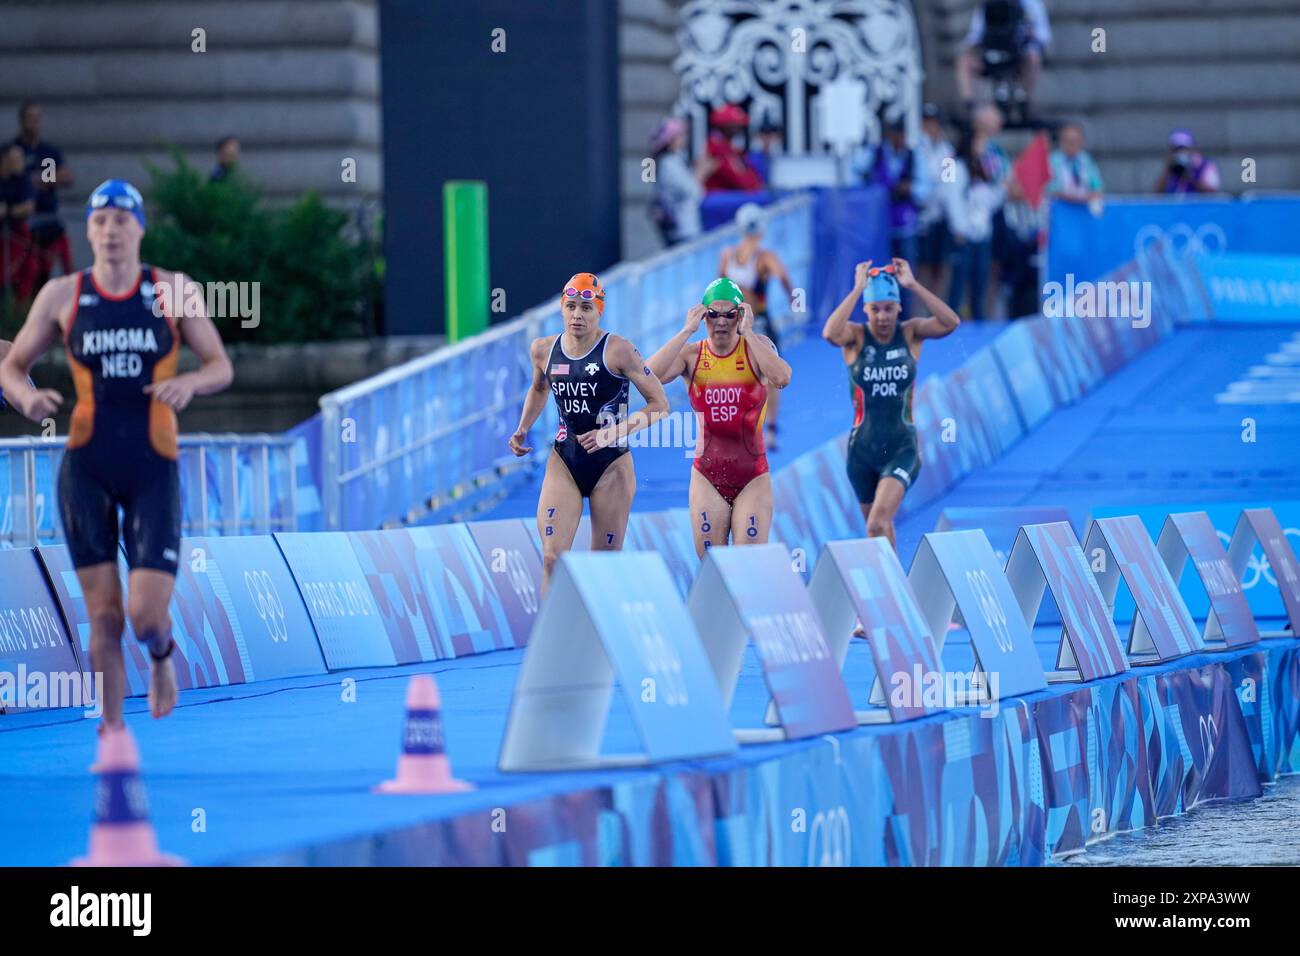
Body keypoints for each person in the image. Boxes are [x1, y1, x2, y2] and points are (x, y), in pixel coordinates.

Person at [0, 179, 234, 730]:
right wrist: (29, 396)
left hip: (153, 465)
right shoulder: (61, 295)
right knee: (104, 616)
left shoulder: (172, 290)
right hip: (87, 466)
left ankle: (160, 657)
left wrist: (193, 384)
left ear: (139, 229)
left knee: (145, 615)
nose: (110, 232)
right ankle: (112, 734)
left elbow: (221, 365)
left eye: (121, 221)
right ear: (87, 230)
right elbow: (10, 362)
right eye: (100, 222)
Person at [508, 273, 669, 592]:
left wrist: (614, 433)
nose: (577, 315)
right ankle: (552, 640)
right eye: (571, 307)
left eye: (586, 308)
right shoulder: (543, 349)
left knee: (603, 568)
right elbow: (539, 388)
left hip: (611, 467)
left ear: (599, 312)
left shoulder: (619, 350)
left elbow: (660, 405)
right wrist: (523, 428)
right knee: (552, 559)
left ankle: (597, 638)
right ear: (561, 309)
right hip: (564, 461)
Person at [647, 277, 791, 557]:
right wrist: (686, 331)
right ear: (703, 316)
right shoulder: (691, 355)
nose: (721, 322)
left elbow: (782, 377)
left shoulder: (756, 347)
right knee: (713, 567)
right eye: (713, 314)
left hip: (752, 475)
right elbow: (647, 377)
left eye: (729, 314)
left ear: (740, 316)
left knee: (748, 562)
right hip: (706, 476)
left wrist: (748, 333)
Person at [821, 260, 959, 546]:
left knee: (877, 523)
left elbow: (950, 322)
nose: (882, 317)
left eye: (888, 308)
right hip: (861, 454)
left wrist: (913, 285)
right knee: (878, 535)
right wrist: (858, 288)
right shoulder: (856, 338)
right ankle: (897, 587)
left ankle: (895, 590)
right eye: (875, 309)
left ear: (898, 308)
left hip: (902, 448)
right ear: (866, 310)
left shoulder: (910, 333)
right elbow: (830, 333)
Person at [718, 203, 796, 451]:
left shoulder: (727, 255)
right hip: (759, 322)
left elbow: (718, 288)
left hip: (730, 323)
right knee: (772, 375)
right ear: (761, 229)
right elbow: (783, 277)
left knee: (732, 374)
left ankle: (735, 427)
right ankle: (770, 429)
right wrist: (795, 300)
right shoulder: (765, 257)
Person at [852, 116, 932, 315]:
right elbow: (854, 171)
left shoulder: (915, 157)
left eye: (901, 134)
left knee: (904, 275)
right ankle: (877, 316)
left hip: (905, 226)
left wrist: (910, 189)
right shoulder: (875, 153)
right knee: (877, 275)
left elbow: (927, 190)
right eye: (895, 134)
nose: (898, 139)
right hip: (880, 227)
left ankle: (904, 318)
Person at [13, 101, 75, 289]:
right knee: (29, 268)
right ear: (22, 121)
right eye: (30, 119)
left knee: (61, 256)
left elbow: (67, 176)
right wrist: (43, 179)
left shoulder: (48, 152)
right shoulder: (14, 151)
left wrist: (39, 179)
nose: (35, 124)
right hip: (23, 221)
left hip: (48, 216)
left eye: (37, 119)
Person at [943, 132, 1003, 321]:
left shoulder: (985, 168)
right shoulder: (956, 166)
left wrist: (1003, 189)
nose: (984, 146)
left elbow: (989, 201)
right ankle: (950, 319)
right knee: (959, 281)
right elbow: (951, 199)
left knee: (980, 280)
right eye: (980, 142)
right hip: (964, 234)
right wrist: (959, 228)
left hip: (982, 233)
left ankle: (978, 318)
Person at [956, 0, 1052, 116]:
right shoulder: (987, 4)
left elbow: (1044, 36)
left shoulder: (1032, 4)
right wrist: (967, 49)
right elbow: (975, 35)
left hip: (1019, 56)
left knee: (1033, 57)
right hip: (991, 54)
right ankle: (970, 104)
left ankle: (1026, 101)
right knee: (964, 61)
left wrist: (1030, 34)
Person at [649, 117, 711, 247]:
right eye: (680, 135)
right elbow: (694, 192)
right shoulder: (669, 163)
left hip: (679, 226)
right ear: (671, 140)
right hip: (683, 227)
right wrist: (700, 172)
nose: (684, 139)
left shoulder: (671, 160)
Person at [916, 104, 955, 294]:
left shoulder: (946, 151)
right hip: (923, 216)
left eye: (934, 124)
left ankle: (937, 304)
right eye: (927, 124)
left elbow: (950, 182)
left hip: (941, 214)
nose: (931, 128)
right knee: (922, 264)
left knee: (940, 265)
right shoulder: (917, 148)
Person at [1, 142, 39, 300]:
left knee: (31, 266)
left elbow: (28, 208)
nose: (22, 162)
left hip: (15, 233)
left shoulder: (22, 178)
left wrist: (7, 211)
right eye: (17, 158)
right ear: (4, 160)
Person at [704, 104, 763, 193]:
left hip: (728, 197)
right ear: (725, 125)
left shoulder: (730, 147)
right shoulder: (716, 147)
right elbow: (741, 182)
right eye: (736, 124)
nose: (740, 127)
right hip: (718, 199)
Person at [1047, 121, 1104, 206]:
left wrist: (1095, 192)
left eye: (1075, 141)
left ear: (1081, 142)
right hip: (1060, 207)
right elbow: (1051, 188)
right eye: (1069, 142)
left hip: (1084, 206)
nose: (1072, 145)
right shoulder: (1052, 161)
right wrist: (1073, 198)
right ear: (1061, 142)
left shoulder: (1086, 160)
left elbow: (1095, 182)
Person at [1156, 129, 1220, 195]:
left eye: (1184, 149)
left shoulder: (1205, 166)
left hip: (1197, 204)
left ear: (1191, 149)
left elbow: (1212, 192)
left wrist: (1190, 177)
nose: (1180, 152)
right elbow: (1158, 192)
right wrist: (1167, 170)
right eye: (1176, 150)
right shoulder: (1171, 166)